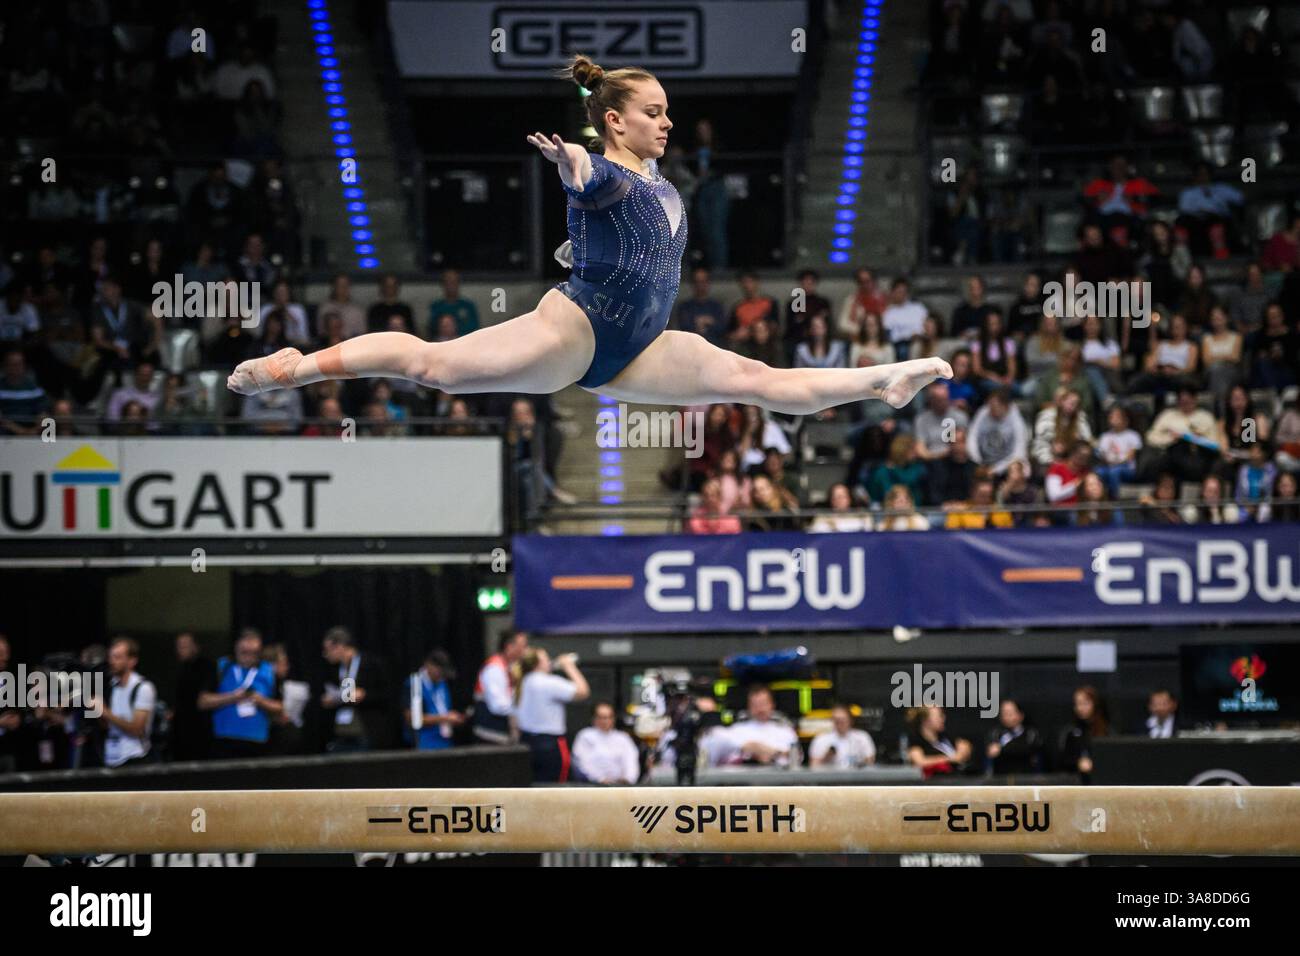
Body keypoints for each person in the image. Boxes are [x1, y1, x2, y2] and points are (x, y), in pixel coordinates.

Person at [228, 56, 952, 418]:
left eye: (669, 113)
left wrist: (581, 240)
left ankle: (881, 379)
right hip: (576, 331)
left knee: (754, 384)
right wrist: (570, 163)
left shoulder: (667, 186)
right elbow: (588, 182)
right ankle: (303, 363)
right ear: (615, 121)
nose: (667, 123)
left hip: (639, 346)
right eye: (656, 113)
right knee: (435, 368)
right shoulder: (606, 172)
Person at [199, 627, 280, 759]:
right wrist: (233, 697)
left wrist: (260, 700)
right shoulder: (222, 666)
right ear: (236, 647)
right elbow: (202, 701)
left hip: (257, 742)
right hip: (224, 741)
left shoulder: (268, 671)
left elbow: (280, 707)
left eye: (253, 653)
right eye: (244, 652)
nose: (248, 656)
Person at [515, 648, 590, 782]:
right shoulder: (547, 682)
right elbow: (583, 691)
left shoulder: (522, 682)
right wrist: (569, 666)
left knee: (531, 787)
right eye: (546, 659)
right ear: (537, 664)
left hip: (525, 743)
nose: (549, 662)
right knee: (554, 787)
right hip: (549, 744)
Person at [320, 626, 392, 753]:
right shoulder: (334, 670)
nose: (326, 654)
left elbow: (387, 694)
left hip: (366, 732)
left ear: (340, 646)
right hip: (341, 733)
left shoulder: (371, 664)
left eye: (328, 649)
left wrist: (365, 695)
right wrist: (330, 700)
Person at [93, 637, 157, 769]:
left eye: (118, 657)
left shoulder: (143, 688)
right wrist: (97, 711)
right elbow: (106, 726)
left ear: (132, 661)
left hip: (135, 759)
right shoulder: (111, 686)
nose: (112, 661)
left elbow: (137, 729)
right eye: (111, 657)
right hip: (111, 759)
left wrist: (106, 713)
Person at [707, 685, 801, 767]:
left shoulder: (786, 731)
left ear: (772, 705)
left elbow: (798, 757)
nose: (760, 709)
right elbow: (714, 744)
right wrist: (747, 748)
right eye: (755, 705)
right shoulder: (736, 730)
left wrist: (773, 753)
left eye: (763, 704)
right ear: (749, 707)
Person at [473, 631, 528, 744]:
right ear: (509, 647)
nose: (526, 650)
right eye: (523, 646)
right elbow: (498, 706)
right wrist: (525, 711)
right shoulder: (494, 669)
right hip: (491, 737)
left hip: (501, 735)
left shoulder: (508, 668)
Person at [403, 650, 464, 750]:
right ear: (428, 665)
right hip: (424, 743)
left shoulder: (442, 683)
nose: (441, 675)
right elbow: (413, 719)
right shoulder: (415, 684)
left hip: (445, 742)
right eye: (439, 671)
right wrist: (444, 718)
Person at [572, 701, 641, 784]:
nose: (605, 721)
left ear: (614, 718)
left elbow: (631, 761)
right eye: (601, 717)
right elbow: (583, 763)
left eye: (609, 717)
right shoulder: (585, 736)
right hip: (592, 785)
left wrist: (628, 779)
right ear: (594, 718)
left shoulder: (623, 738)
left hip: (620, 786)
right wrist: (600, 779)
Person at [169, 632, 213, 761]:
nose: (181, 650)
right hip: (180, 729)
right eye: (179, 646)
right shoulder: (180, 669)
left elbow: (202, 699)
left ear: (196, 647)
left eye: (185, 646)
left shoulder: (206, 666)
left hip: (200, 729)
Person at [1057, 685, 1107, 781]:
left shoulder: (1107, 730)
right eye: (1077, 704)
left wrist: (1095, 764)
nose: (1080, 708)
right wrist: (1078, 763)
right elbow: (1062, 760)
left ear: (1095, 703)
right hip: (1076, 781)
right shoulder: (1070, 731)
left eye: (1085, 703)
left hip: (1102, 781)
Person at [906, 706, 971, 778]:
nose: (943, 718)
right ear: (926, 720)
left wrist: (964, 749)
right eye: (939, 716)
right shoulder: (916, 740)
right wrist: (949, 759)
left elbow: (963, 745)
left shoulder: (944, 736)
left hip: (958, 779)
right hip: (934, 783)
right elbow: (919, 762)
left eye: (943, 715)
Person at [985, 699, 1044, 775]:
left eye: (1010, 713)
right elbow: (991, 752)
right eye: (1004, 713)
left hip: (1026, 777)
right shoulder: (996, 733)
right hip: (1001, 778)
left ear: (1021, 715)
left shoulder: (1031, 733)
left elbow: (1030, 750)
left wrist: (1002, 750)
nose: (1007, 717)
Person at [808, 703, 876, 768]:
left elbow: (870, 761)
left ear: (850, 720)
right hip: (829, 778)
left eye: (843, 720)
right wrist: (826, 758)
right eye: (837, 720)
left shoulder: (862, 737)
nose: (840, 724)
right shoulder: (821, 739)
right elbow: (813, 766)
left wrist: (860, 763)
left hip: (857, 777)